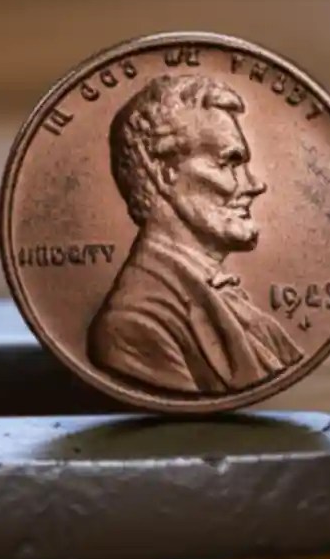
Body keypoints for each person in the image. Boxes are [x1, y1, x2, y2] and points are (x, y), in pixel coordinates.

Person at [87, 74, 303, 394]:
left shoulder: (221, 294)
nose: (254, 185)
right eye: (227, 163)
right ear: (164, 173)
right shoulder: (133, 325)